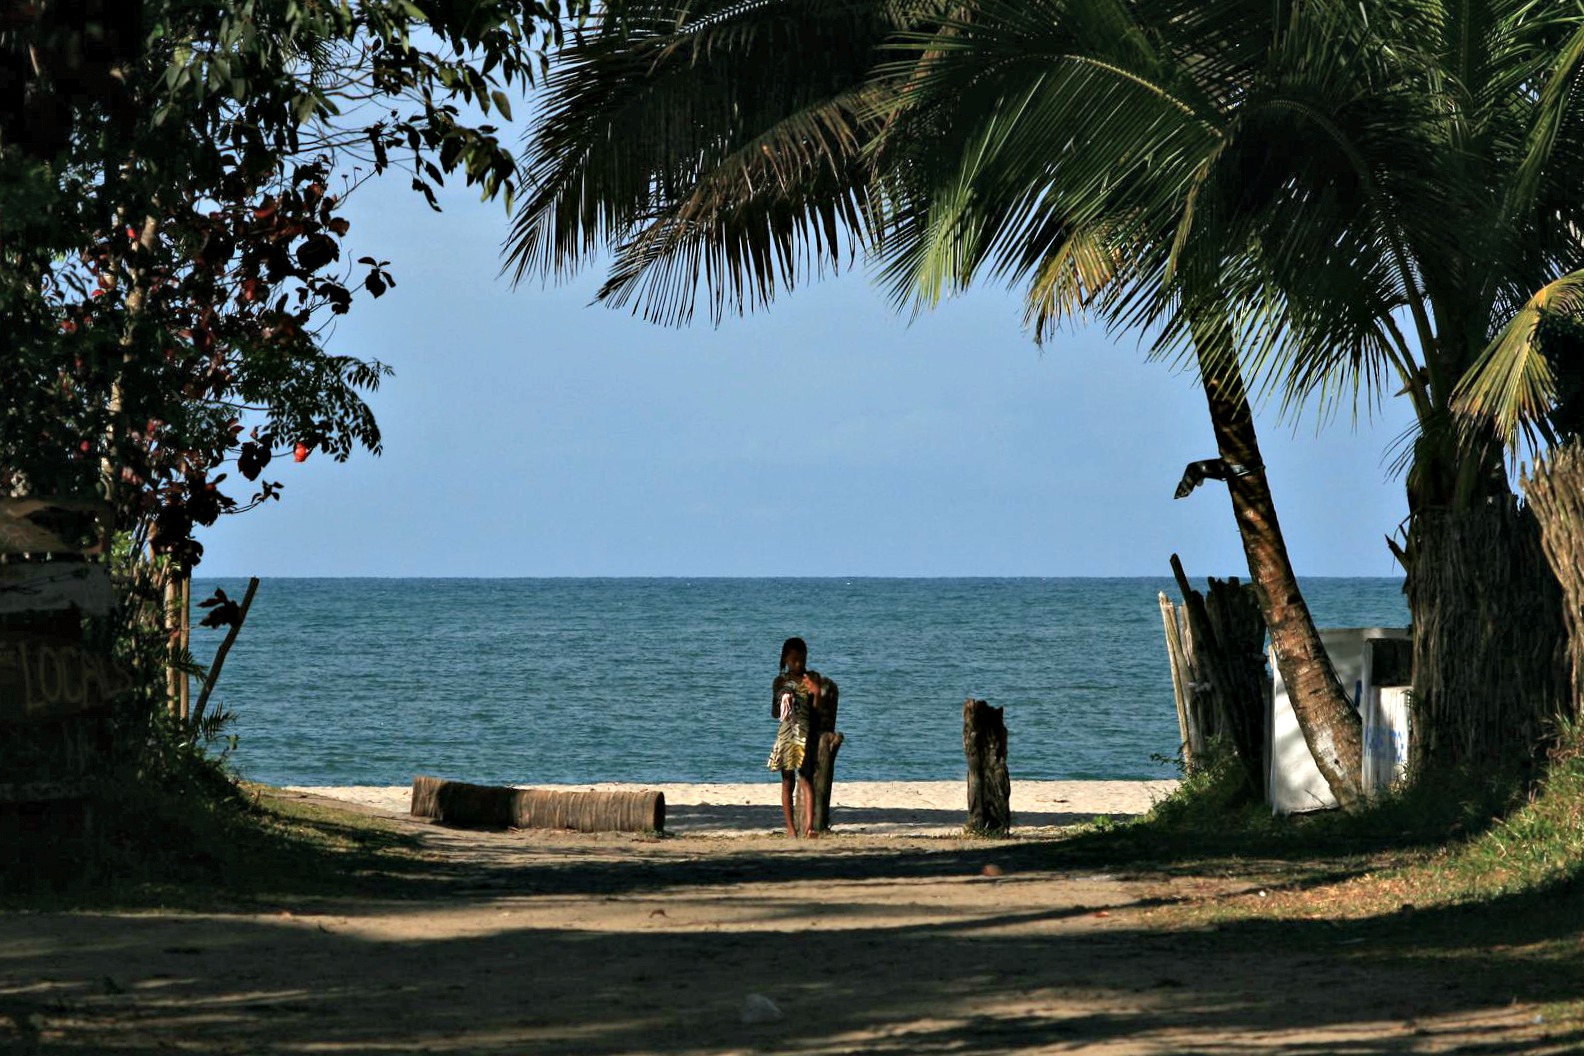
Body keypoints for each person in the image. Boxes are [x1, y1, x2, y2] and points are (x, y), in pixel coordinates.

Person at [767, 636, 822, 838]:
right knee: (787, 782)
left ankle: (809, 827)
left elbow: (816, 714)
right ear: (785, 660)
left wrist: (816, 694)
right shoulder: (780, 681)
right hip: (787, 734)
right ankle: (790, 828)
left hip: (805, 735)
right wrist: (784, 700)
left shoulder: (812, 678)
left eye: (802, 659)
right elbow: (774, 713)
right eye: (794, 660)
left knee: (806, 779)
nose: (799, 664)